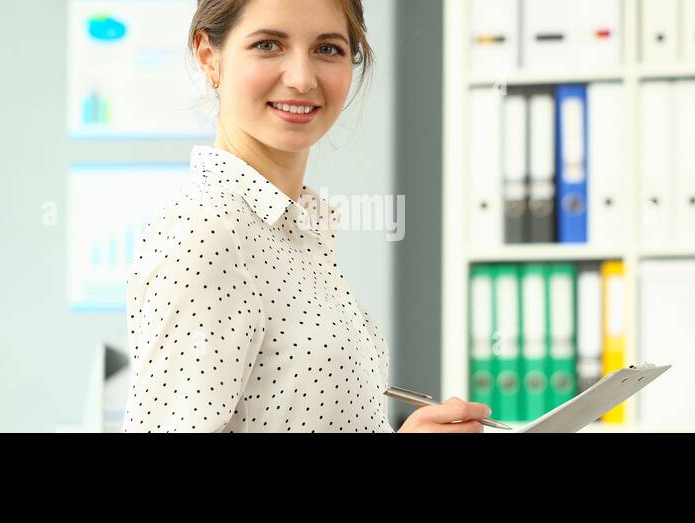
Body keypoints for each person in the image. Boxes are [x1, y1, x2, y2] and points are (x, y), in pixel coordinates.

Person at [121, 0, 491, 432]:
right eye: (268, 45)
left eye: (328, 49)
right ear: (209, 55)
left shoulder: (294, 232)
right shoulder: (207, 232)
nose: (301, 78)